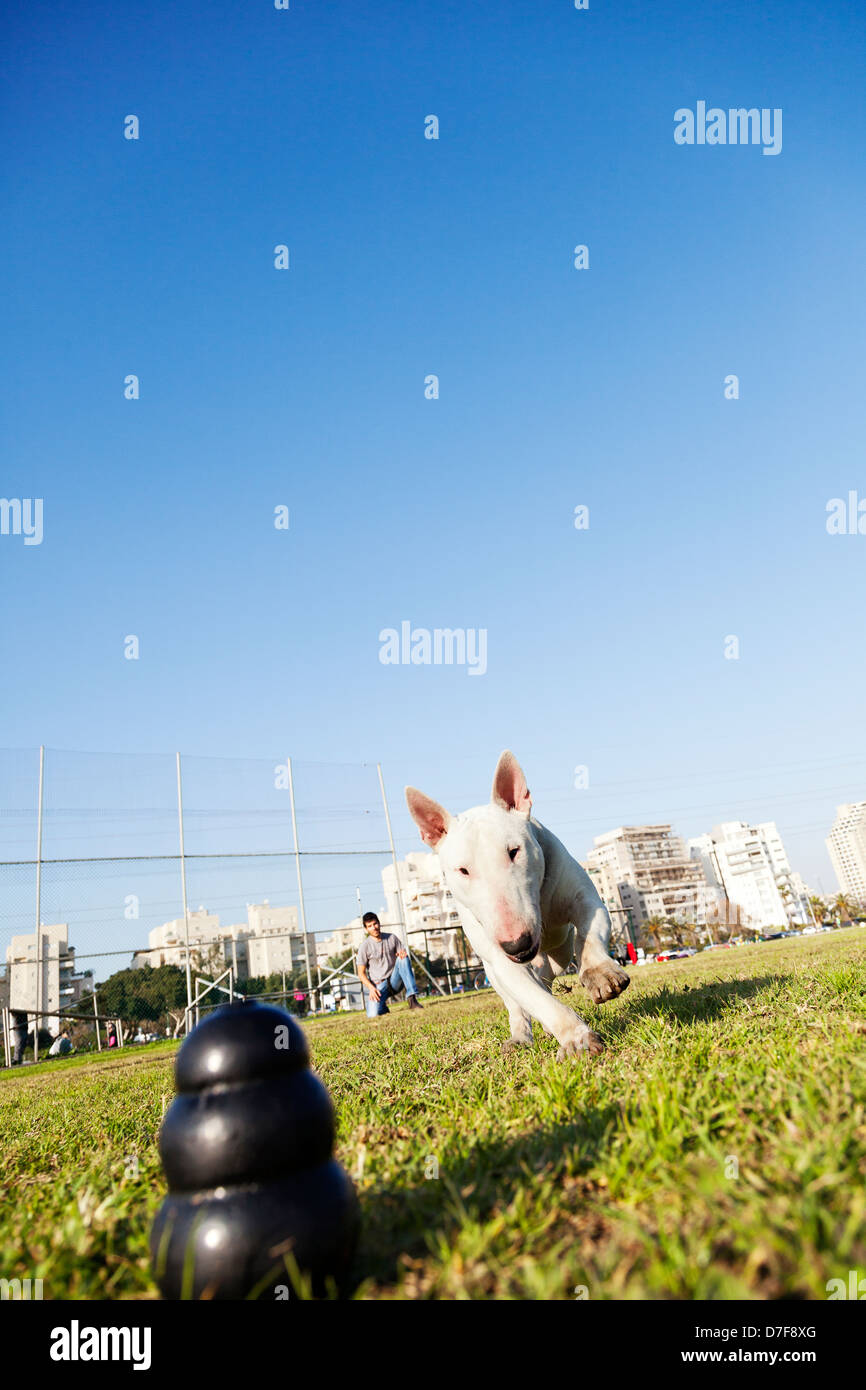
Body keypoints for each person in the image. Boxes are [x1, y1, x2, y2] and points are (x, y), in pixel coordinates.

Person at [356, 912, 423, 1018]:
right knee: (372, 1015)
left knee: (403, 958)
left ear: (379, 923)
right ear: (366, 929)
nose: (374, 927)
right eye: (370, 926)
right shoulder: (364, 946)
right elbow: (361, 973)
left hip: (395, 980)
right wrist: (371, 988)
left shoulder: (392, 938)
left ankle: (412, 998)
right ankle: (382, 1007)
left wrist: (401, 954)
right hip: (379, 986)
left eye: (375, 924)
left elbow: (403, 957)